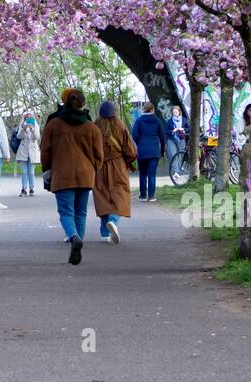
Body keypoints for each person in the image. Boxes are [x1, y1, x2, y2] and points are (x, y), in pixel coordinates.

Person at [40, 88, 103, 265]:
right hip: (85, 175)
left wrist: (47, 170)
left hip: (62, 174)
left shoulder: (54, 124)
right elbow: (99, 155)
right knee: (81, 212)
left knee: (66, 212)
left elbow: (45, 150)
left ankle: (74, 237)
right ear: (83, 104)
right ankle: (78, 242)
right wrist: (94, 170)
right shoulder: (92, 128)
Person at [94, 101, 137, 242]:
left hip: (99, 166)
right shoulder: (119, 125)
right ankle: (113, 220)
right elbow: (129, 149)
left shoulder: (95, 127)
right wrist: (130, 161)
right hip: (118, 165)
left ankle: (104, 234)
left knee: (102, 197)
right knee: (121, 194)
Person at [130, 101, 167, 202]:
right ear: (152, 109)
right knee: (152, 174)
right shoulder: (157, 121)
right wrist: (163, 150)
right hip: (154, 151)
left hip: (142, 151)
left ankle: (142, 195)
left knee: (142, 174)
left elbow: (134, 134)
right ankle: (151, 196)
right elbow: (162, 137)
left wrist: (139, 142)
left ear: (144, 109)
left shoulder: (139, 121)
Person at [15, 113, 41, 196]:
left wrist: (32, 129)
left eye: (30, 117)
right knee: (24, 172)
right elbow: (18, 136)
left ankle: (32, 188)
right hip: (23, 151)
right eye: (27, 117)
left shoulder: (35, 125)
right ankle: (24, 189)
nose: (28, 118)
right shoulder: (22, 125)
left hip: (32, 151)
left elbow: (37, 137)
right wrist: (23, 129)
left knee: (31, 172)